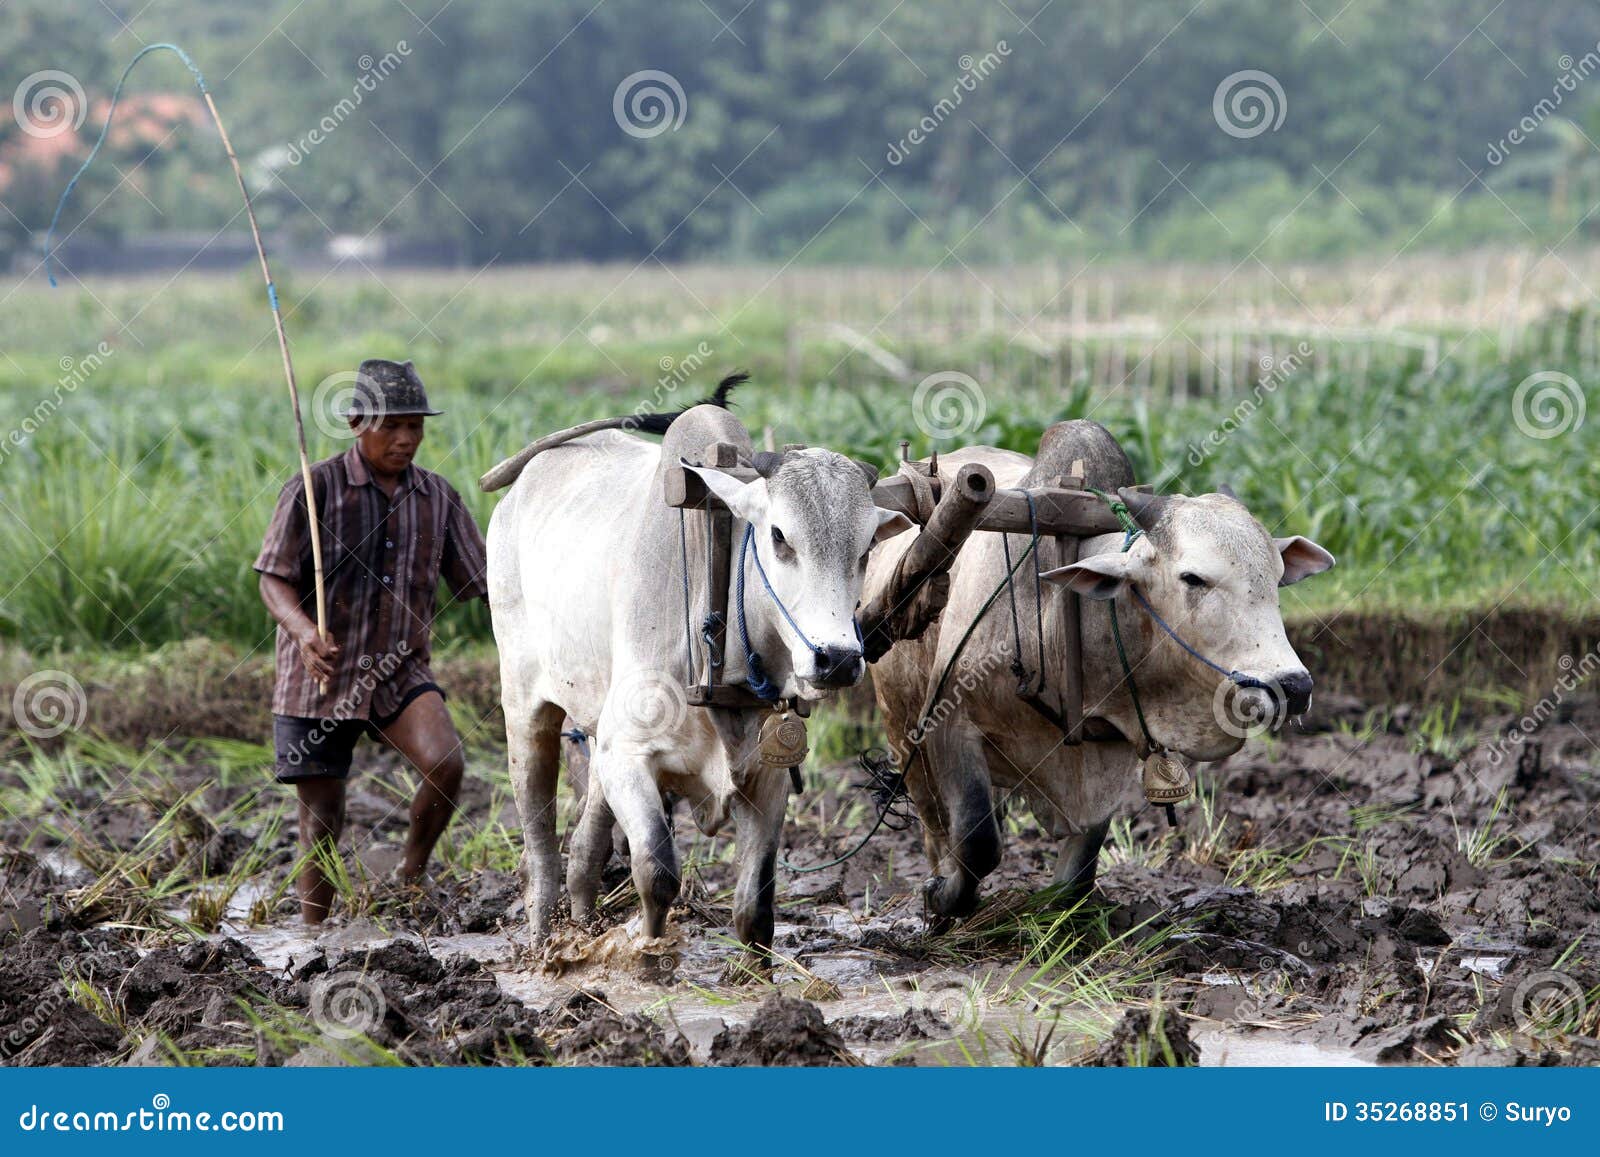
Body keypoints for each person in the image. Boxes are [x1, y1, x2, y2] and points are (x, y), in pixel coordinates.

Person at [254, 358, 489, 924]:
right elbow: (273, 577)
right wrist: (304, 631)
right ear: (358, 422)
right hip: (322, 674)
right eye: (392, 426)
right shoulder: (315, 490)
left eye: (416, 427)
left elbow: (480, 583)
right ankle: (314, 936)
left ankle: (410, 875)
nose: (406, 439)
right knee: (322, 817)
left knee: (446, 763)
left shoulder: (437, 497)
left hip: (398, 669)